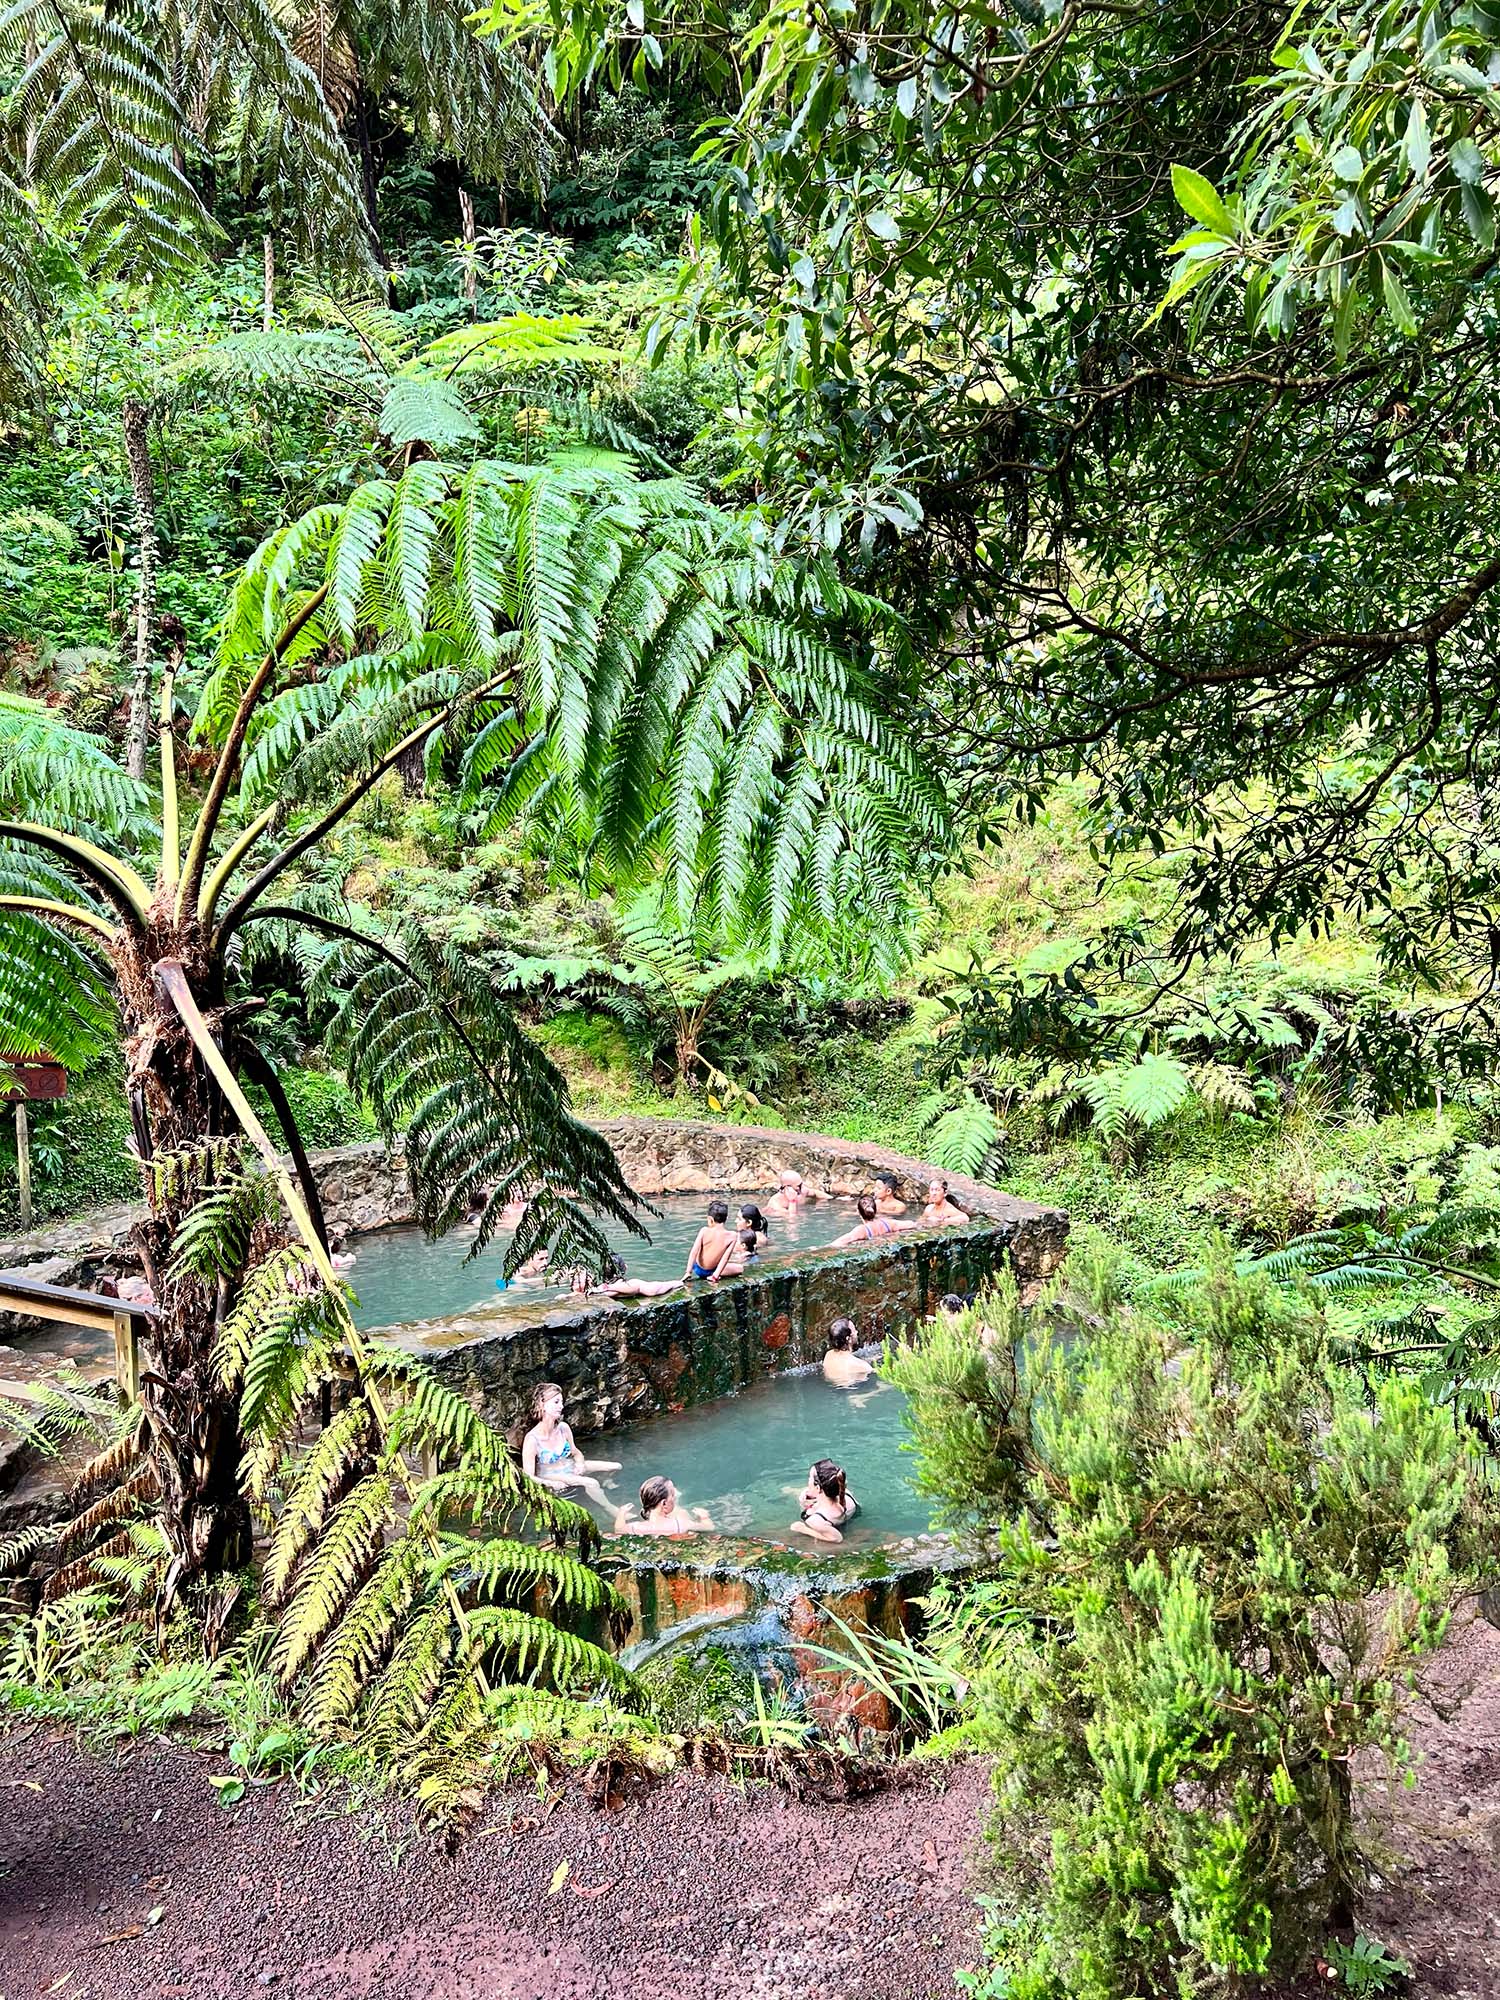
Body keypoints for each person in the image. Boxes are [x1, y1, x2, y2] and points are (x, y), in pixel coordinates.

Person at [521, 1383, 620, 1509]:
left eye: (561, 1402)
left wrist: (580, 1464)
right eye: (556, 1402)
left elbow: (576, 1452)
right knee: (591, 1483)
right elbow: (528, 1476)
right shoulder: (532, 1439)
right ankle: (611, 1509)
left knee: (616, 1466)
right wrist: (549, 1483)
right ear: (542, 1404)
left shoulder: (563, 1428)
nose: (561, 1406)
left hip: (569, 1466)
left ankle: (604, 1482)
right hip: (550, 1473)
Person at [612, 1474, 714, 1538]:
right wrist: (704, 1517)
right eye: (673, 1495)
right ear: (664, 1503)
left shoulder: (635, 1527)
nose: (674, 1498)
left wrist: (621, 1514)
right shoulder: (681, 1524)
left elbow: (619, 1529)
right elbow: (709, 1528)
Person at [790, 1458, 860, 1543]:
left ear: (818, 1488)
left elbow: (837, 1538)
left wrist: (803, 1529)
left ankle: (788, 1490)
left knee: (801, 1496)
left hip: (825, 1519)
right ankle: (790, 1490)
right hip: (840, 1515)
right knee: (802, 1495)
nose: (808, 1481)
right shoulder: (848, 1496)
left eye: (810, 1478)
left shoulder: (816, 1520)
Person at [565, 1254, 677, 1301]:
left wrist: (607, 1287)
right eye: (573, 1277)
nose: (575, 1279)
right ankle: (676, 1283)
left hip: (641, 1287)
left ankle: (677, 1283)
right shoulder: (601, 1288)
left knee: (653, 1288)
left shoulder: (602, 1288)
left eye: (578, 1276)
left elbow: (634, 1288)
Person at [830, 1193, 913, 1248]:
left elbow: (838, 1243)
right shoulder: (887, 1222)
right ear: (876, 1210)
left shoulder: (862, 1230)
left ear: (859, 1212)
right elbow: (911, 1224)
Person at [684, 1200, 738, 1280]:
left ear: (710, 1219)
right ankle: (715, 1275)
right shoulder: (733, 1236)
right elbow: (725, 1258)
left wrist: (688, 1272)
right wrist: (715, 1275)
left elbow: (694, 1252)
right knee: (740, 1268)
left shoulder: (704, 1230)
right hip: (712, 1272)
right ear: (726, 1218)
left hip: (698, 1269)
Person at [823, 1317, 872, 1387]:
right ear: (848, 1339)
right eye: (854, 1330)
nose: (857, 1332)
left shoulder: (828, 1355)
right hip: (852, 1390)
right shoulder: (863, 1366)